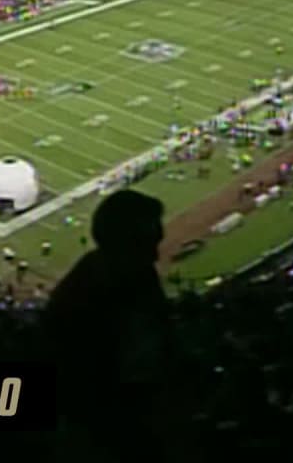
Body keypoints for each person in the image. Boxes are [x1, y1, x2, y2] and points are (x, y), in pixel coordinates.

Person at [44, 190, 172, 462]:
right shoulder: (95, 290)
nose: (160, 239)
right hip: (108, 426)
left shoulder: (134, 275)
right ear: (128, 240)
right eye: (151, 234)